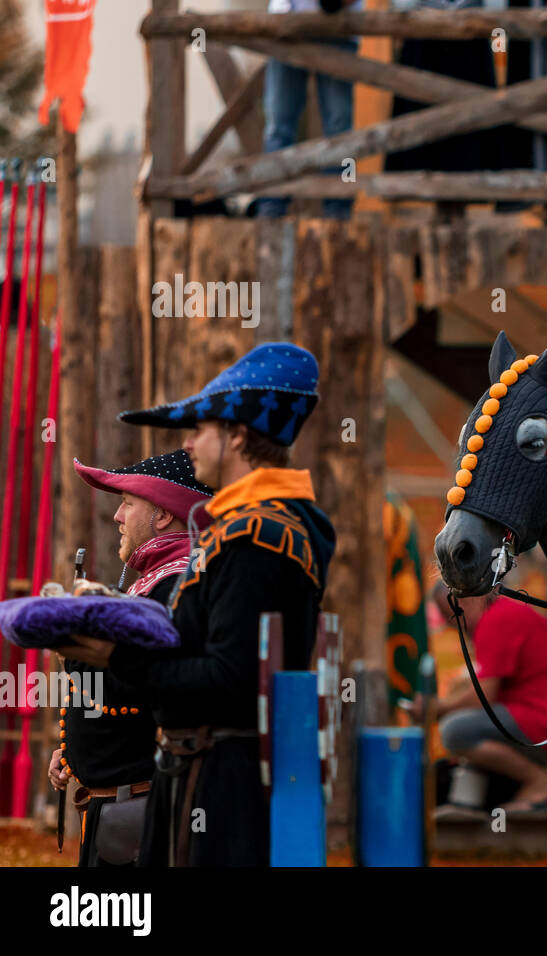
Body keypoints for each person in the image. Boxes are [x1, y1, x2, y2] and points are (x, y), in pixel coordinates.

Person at [54, 342, 336, 866]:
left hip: (223, 795)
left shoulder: (256, 537)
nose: (188, 443)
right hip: (202, 780)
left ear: (236, 435)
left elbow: (225, 683)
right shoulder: (249, 530)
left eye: (198, 428)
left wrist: (112, 656)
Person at [47, 450, 212, 867]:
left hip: (136, 815)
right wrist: (71, 749)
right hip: (117, 811)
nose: (117, 516)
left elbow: (138, 680)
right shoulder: (157, 583)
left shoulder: (175, 587)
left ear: (161, 516)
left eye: (127, 503)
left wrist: (73, 641)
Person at [433, 583, 547, 811]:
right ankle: (470, 801)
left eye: (452, 615)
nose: (455, 625)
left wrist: (438, 709)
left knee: (454, 732)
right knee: (469, 729)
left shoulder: (495, 620)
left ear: (464, 601)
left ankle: (541, 784)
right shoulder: (503, 613)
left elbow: (483, 697)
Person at [257, 0, 364, 219]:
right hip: (285, 26)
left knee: (340, 127)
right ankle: (271, 207)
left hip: (340, 25)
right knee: (278, 124)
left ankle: (339, 209)